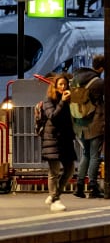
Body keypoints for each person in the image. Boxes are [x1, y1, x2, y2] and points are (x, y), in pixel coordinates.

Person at [36, 74, 76, 212]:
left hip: (65, 139)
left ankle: (55, 195)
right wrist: (62, 102)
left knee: (70, 169)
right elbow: (53, 116)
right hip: (52, 138)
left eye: (65, 84)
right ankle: (55, 199)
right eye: (60, 84)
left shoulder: (69, 100)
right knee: (54, 171)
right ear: (55, 86)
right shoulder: (49, 100)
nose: (63, 87)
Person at [70, 53, 106, 199]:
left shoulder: (77, 79)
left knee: (86, 153)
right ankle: (93, 185)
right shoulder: (98, 82)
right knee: (95, 154)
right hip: (95, 122)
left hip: (80, 122)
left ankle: (79, 185)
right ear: (102, 68)